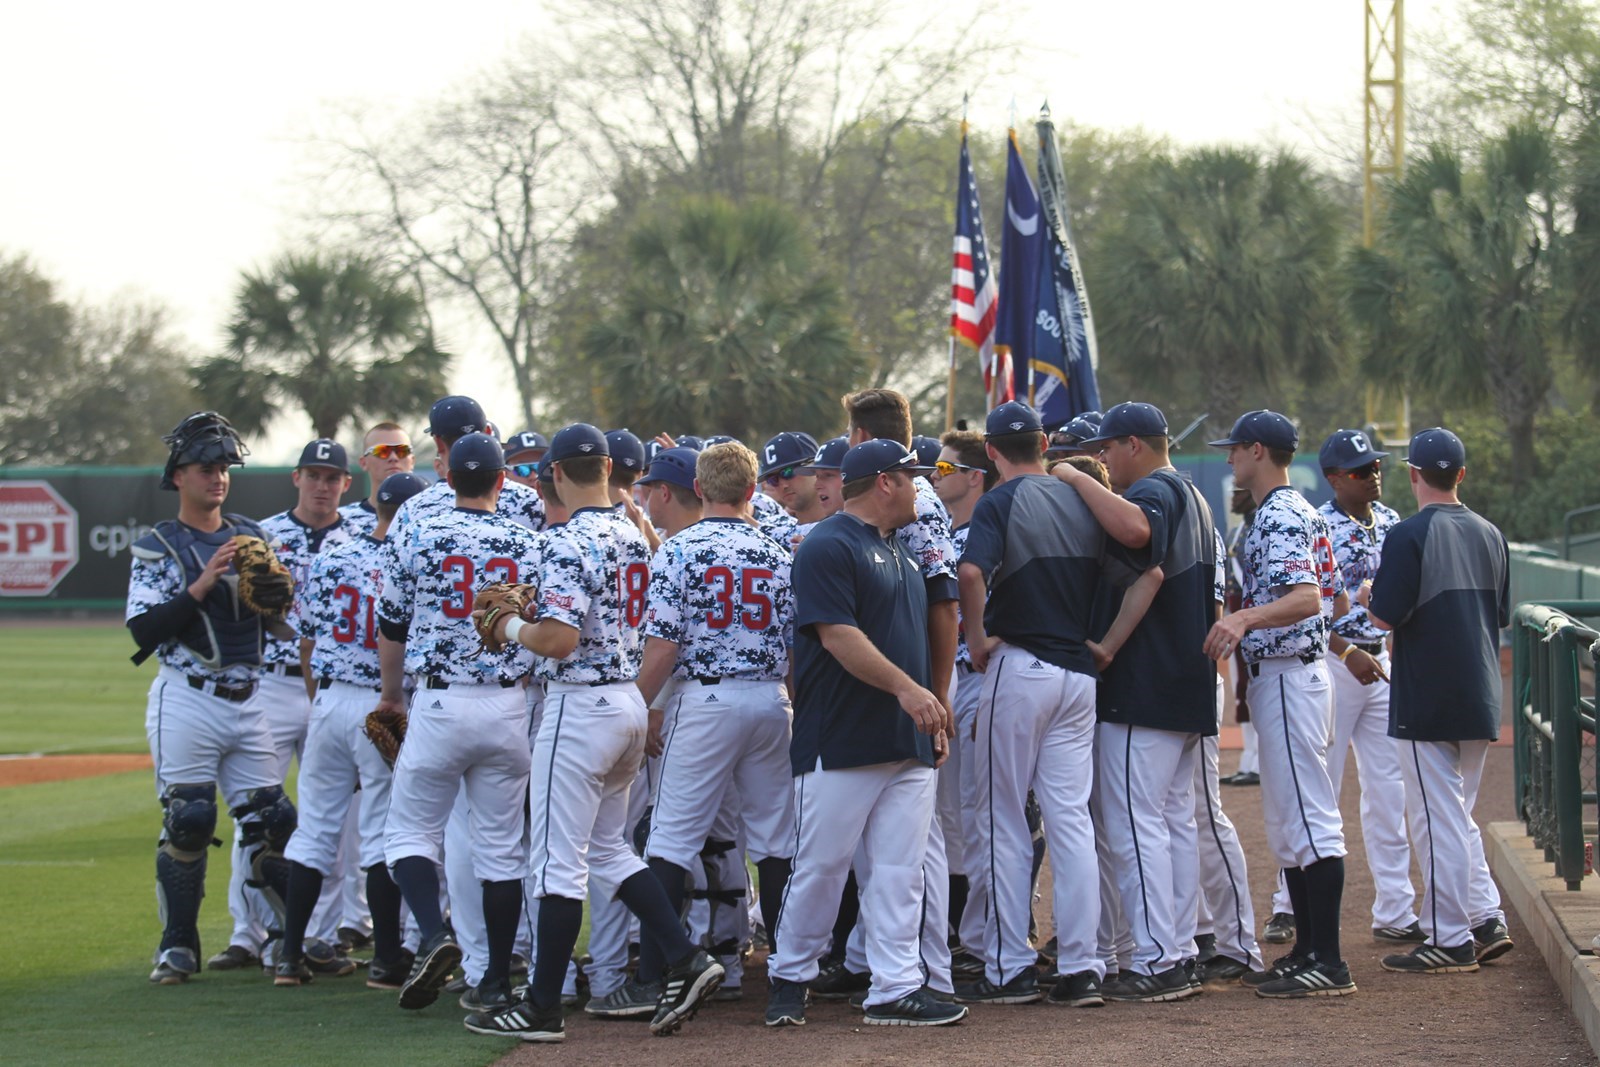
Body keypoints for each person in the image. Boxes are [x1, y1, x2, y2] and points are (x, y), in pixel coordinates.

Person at [474, 423, 725, 1042]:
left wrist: (508, 627)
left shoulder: (569, 538)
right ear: (611, 469)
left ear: (554, 474)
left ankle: (540, 1008)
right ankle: (687, 958)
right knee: (609, 849)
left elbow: (557, 642)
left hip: (580, 707)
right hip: (627, 702)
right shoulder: (633, 530)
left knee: (559, 862)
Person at [764, 439, 964, 1029]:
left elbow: (918, 635)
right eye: (910, 477)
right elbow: (836, 635)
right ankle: (789, 975)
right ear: (884, 482)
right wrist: (910, 690)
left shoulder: (901, 548)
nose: (919, 486)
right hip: (842, 738)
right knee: (822, 868)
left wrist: (931, 711)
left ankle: (895, 986)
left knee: (901, 872)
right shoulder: (828, 543)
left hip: (905, 739)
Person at [126, 412, 297, 985]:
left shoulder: (251, 534)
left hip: (249, 698)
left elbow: (277, 627)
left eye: (224, 468)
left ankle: (282, 940)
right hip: (188, 695)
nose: (217, 478)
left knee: (275, 821)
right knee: (190, 818)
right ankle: (177, 945)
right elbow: (143, 630)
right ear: (179, 476)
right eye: (205, 468)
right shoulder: (158, 545)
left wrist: (278, 602)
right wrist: (202, 584)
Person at [375, 433, 540, 1023]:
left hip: (440, 703)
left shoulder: (418, 531)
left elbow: (391, 625)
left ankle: (430, 931)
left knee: (409, 835)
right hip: (507, 707)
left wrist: (392, 696)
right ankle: (495, 979)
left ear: (449, 481)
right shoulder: (528, 540)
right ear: (502, 480)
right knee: (500, 852)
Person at [1057, 402, 1218, 1003]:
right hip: (1183, 683)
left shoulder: (1156, 489)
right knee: (1170, 824)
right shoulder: (1196, 496)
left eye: (1105, 449)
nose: (1099, 459)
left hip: (1146, 688)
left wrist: (1072, 476)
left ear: (1133, 444)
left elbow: (1135, 537)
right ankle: (1175, 950)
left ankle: (1157, 960)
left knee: (1134, 826)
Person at [631, 442, 796, 1008]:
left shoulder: (678, 550)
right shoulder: (777, 553)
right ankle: (786, 978)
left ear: (698, 490)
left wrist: (635, 708)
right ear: (753, 490)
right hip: (771, 699)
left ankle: (657, 975)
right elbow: (796, 647)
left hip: (705, 703)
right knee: (776, 844)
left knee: (670, 840)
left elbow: (661, 648)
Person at [955, 400, 1107, 1008]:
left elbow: (970, 574)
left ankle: (1009, 965)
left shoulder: (998, 499)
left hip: (1021, 668)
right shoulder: (1080, 496)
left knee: (1001, 817)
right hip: (1079, 673)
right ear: (1045, 443)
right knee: (1070, 823)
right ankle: (1081, 966)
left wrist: (973, 638)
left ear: (990, 452)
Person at [1203, 410, 1353, 999]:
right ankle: (1308, 949)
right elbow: (1337, 603)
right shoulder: (1294, 511)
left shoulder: (1284, 512)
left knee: (1311, 822)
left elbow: (1311, 598)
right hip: (1290, 674)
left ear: (1259, 450)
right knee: (1291, 824)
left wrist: (1246, 616)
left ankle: (1332, 963)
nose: (1229, 458)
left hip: (1292, 676)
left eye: (1236, 449)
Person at [1366, 427, 1514, 974]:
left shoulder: (1409, 533)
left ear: (1412, 474)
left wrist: (1364, 594)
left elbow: (1383, 615)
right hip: (1479, 690)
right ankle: (1486, 917)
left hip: (1428, 693)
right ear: (1462, 474)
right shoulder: (1492, 532)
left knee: (1438, 819)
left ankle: (1451, 939)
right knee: (1454, 815)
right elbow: (1499, 616)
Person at [274, 470, 429, 987]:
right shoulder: (414, 561)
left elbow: (307, 643)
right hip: (384, 705)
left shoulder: (332, 555)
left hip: (330, 697)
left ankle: (289, 956)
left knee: (315, 829)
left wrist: (322, 705)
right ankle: (387, 959)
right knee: (382, 835)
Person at [228, 439, 357, 976]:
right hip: (274, 684)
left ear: (347, 484)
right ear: (296, 478)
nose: (323, 485)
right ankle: (247, 932)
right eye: (314, 474)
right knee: (258, 811)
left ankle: (319, 934)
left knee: (337, 817)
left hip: (336, 686)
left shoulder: (362, 535)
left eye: (333, 477)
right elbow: (241, 610)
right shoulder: (264, 535)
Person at [1316, 429, 1422, 945]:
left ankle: (1396, 911)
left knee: (1388, 791)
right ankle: (1291, 907)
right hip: (1335, 663)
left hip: (1379, 665)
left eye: (1375, 465)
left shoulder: (1395, 523)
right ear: (1335, 478)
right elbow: (1308, 608)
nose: (1373, 474)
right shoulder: (1317, 524)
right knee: (1320, 788)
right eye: (1360, 470)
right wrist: (1345, 650)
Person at [929, 430, 996, 970]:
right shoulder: (953, 533)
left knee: (980, 813)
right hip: (951, 682)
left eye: (947, 470)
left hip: (980, 679)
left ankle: (987, 937)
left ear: (976, 476)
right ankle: (964, 930)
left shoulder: (984, 533)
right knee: (953, 815)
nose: (935, 475)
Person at [391, 395, 543, 537]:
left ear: (438, 442)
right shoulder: (532, 502)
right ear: (489, 432)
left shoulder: (413, 509)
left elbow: (387, 563)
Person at [340, 422, 416, 535]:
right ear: (363, 463)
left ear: (412, 461)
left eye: (402, 451)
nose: (393, 458)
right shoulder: (343, 522)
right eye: (382, 451)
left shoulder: (429, 517)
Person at [758, 432, 822, 523]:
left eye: (787, 472)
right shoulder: (776, 533)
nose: (783, 485)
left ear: (814, 466)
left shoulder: (846, 526)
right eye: (773, 479)